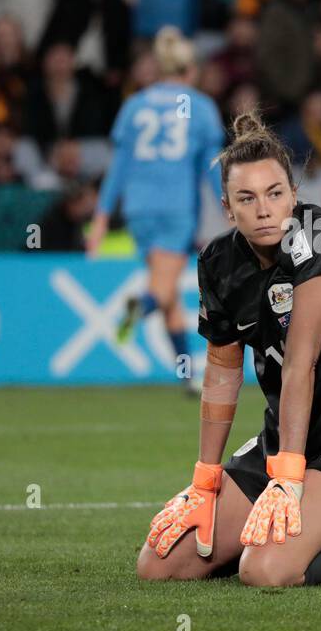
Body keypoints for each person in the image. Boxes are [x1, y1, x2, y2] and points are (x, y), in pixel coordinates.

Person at [136, 115, 321, 586]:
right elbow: (223, 374)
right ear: (228, 208)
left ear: (294, 194)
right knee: (161, 565)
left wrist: (288, 475)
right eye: (247, 198)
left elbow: (300, 363)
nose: (264, 209)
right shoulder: (218, 262)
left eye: (275, 194)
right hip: (283, 442)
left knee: (266, 570)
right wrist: (206, 477)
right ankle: (287, 526)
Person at [88, 27, 224, 388]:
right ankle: (136, 309)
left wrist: (101, 217)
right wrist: (230, 205)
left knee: (166, 294)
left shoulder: (135, 105)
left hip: (138, 209)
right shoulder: (201, 107)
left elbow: (118, 168)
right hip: (176, 207)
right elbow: (211, 168)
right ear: (189, 70)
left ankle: (186, 376)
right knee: (162, 291)